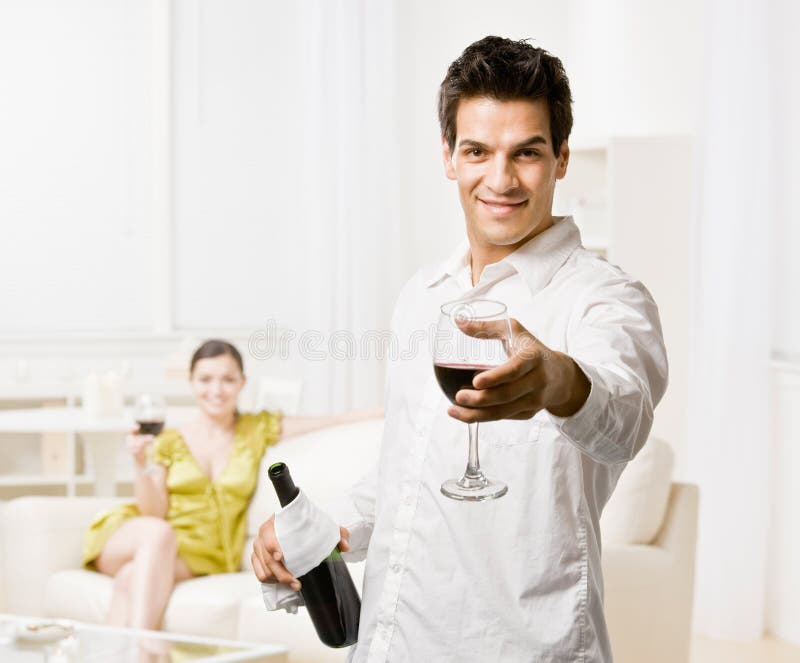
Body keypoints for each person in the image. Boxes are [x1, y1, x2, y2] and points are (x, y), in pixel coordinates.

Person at [252, 36, 668, 662]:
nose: (500, 179)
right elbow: (406, 469)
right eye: (477, 151)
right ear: (449, 157)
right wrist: (325, 530)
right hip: (391, 645)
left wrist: (558, 381)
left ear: (561, 158)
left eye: (527, 152)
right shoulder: (422, 295)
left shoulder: (606, 299)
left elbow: (625, 419)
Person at [83, 339, 375, 632]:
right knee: (159, 533)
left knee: (130, 579)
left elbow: (333, 420)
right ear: (191, 382)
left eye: (227, 380)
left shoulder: (256, 429)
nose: (216, 389)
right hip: (147, 538)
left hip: (196, 556)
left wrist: (393, 412)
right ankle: (144, 646)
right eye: (205, 379)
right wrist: (139, 462)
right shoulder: (169, 441)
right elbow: (153, 513)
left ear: (242, 383)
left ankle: (128, 649)